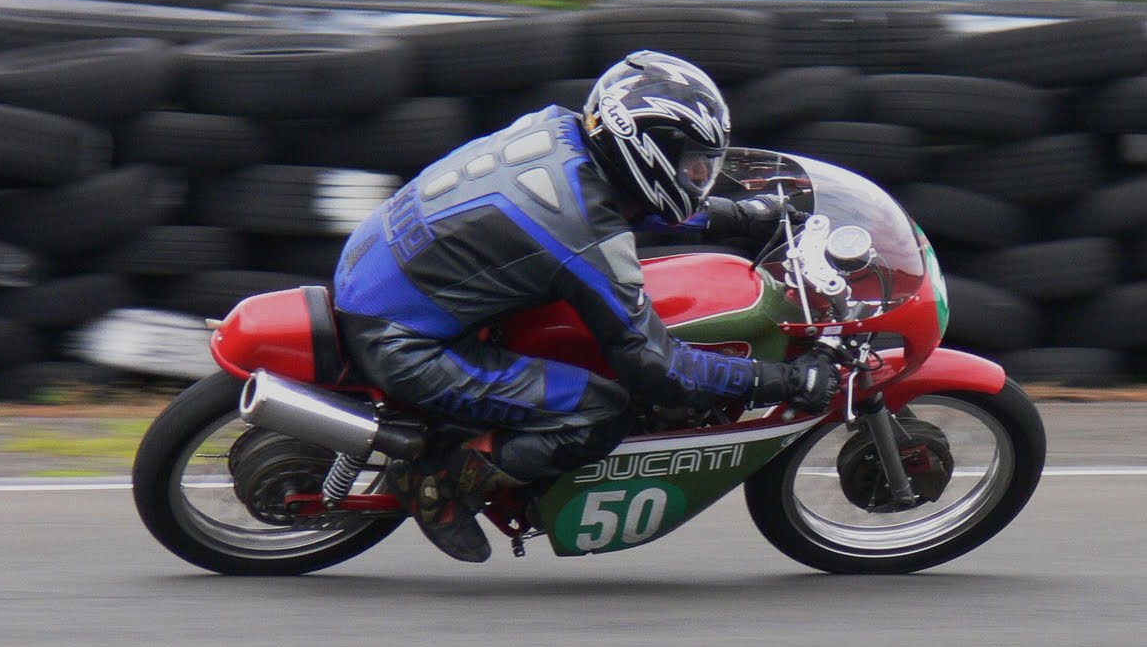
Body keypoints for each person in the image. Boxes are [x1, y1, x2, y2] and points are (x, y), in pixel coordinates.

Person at [332, 50, 837, 563]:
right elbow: (658, 367)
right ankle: (437, 481)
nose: (700, 173)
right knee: (598, 410)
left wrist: (741, 217)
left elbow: (628, 201)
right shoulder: (583, 236)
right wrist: (779, 381)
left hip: (377, 265)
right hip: (402, 340)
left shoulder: (560, 130)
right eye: (692, 162)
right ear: (646, 149)